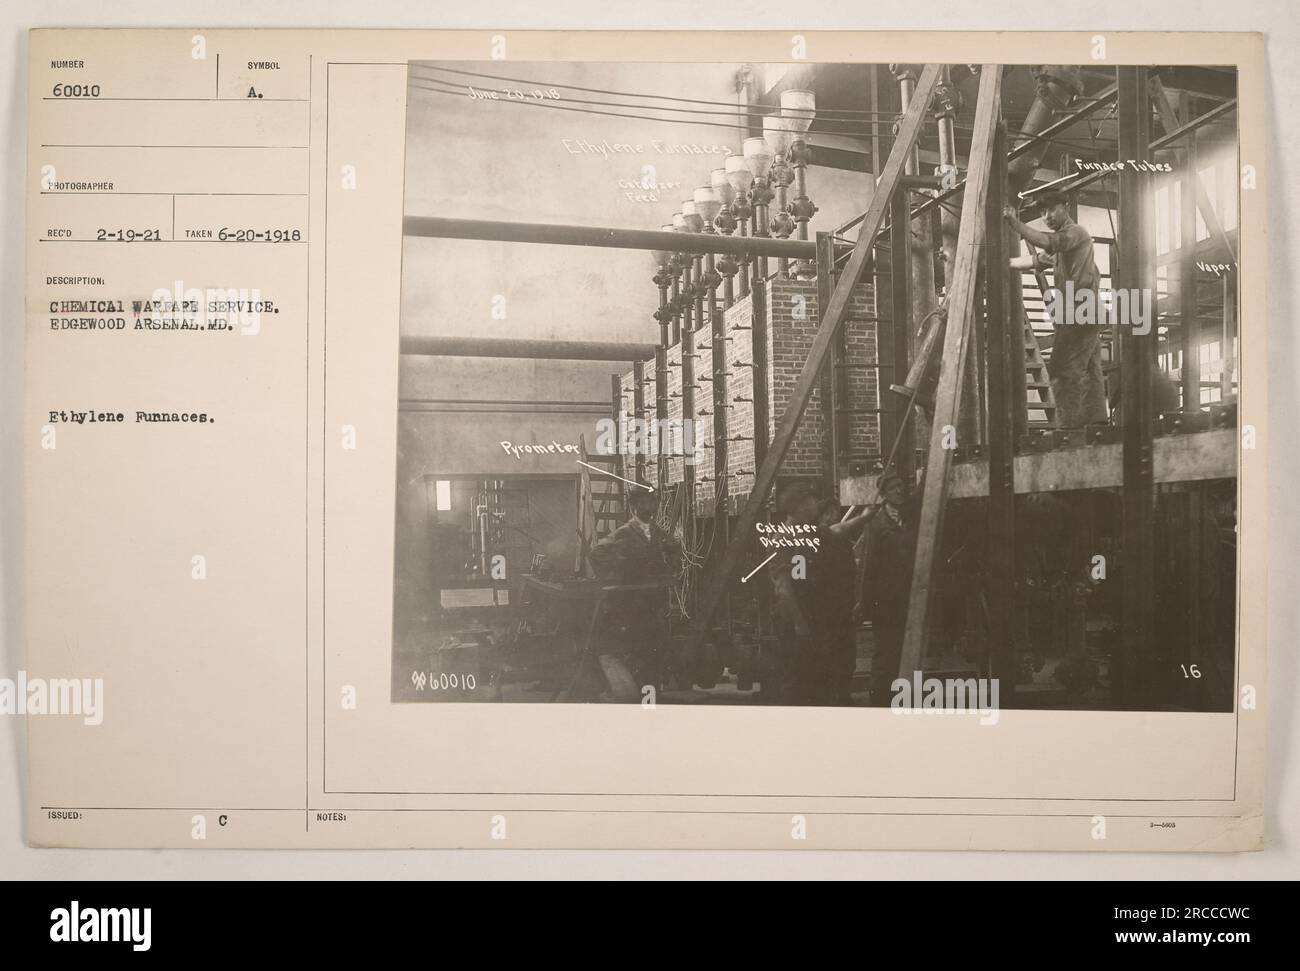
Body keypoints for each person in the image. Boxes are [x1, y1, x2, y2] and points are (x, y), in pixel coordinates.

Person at [1004, 190, 1109, 428]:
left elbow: (1049, 241)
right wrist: (1004, 263)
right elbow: (1035, 261)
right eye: (1042, 212)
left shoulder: (1075, 233)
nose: (1047, 216)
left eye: (1051, 209)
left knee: (1064, 371)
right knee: (1091, 369)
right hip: (1085, 313)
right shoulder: (1064, 249)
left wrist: (1014, 222)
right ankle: (1097, 424)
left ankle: (1068, 429)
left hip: (1080, 312)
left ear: (1066, 206)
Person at [768, 482, 873, 705]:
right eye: (812, 501)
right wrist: (800, 625)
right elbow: (784, 589)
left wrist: (863, 518)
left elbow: (836, 531)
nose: (817, 505)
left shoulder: (810, 531)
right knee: (797, 679)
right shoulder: (783, 539)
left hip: (812, 618)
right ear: (800, 506)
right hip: (795, 620)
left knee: (816, 679)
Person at [587, 487, 681, 699]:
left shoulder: (656, 532)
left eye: (651, 502)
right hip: (633, 602)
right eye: (643, 503)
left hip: (654, 600)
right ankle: (635, 691)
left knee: (656, 646)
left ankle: (653, 692)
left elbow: (675, 548)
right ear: (633, 507)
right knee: (638, 645)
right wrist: (622, 572)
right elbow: (596, 553)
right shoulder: (625, 532)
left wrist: (669, 569)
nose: (649, 507)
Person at [856, 471, 918, 705]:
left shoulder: (908, 517)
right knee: (886, 651)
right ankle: (879, 698)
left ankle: (899, 697)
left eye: (901, 486)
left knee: (903, 648)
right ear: (883, 494)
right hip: (886, 600)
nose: (899, 491)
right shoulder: (876, 523)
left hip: (907, 597)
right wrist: (863, 600)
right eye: (893, 488)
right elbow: (868, 564)